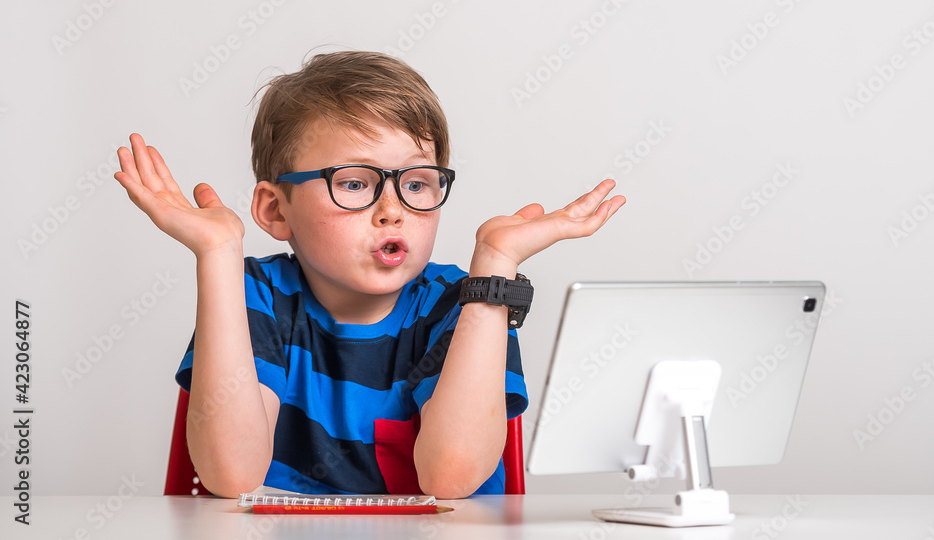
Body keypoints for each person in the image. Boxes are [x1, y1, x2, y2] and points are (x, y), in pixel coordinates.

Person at [115, 51, 625, 499]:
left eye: (417, 184)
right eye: (355, 183)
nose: (392, 210)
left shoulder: (466, 303)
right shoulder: (258, 297)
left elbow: (451, 478)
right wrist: (218, 255)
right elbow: (232, 475)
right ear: (275, 210)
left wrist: (494, 263)